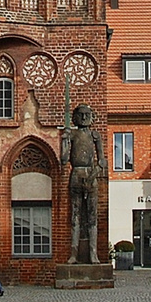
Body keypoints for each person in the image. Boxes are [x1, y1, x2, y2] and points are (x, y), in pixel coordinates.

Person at [61, 103, 106, 264]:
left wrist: (92, 176)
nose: (84, 117)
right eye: (81, 114)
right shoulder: (72, 134)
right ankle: (73, 254)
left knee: (92, 216)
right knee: (75, 216)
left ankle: (93, 253)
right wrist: (64, 142)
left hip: (91, 175)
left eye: (87, 114)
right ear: (75, 117)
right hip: (76, 173)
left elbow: (102, 161)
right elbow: (64, 159)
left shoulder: (95, 135)